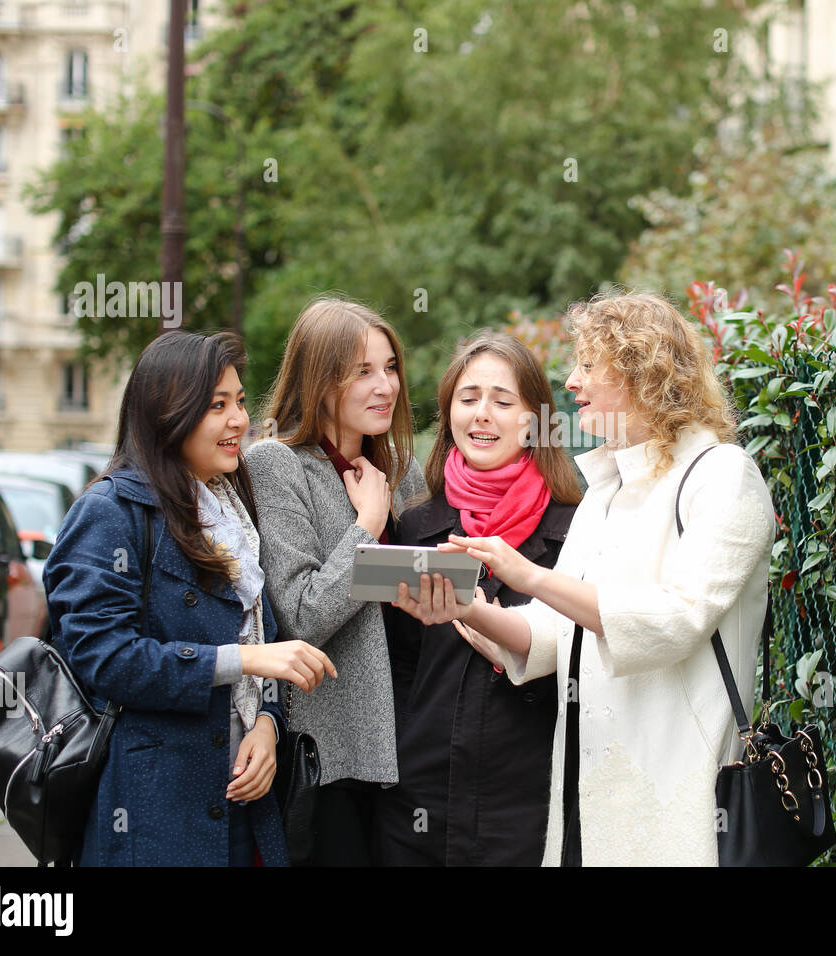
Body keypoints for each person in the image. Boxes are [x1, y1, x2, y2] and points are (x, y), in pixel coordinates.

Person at [394, 292, 776, 866]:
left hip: (674, 792)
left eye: (589, 365)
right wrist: (463, 608)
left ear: (642, 372)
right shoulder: (607, 488)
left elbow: (676, 621)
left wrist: (527, 575)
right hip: (587, 800)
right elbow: (551, 634)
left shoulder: (722, 476)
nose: (571, 382)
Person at [44, 331, 336, 867]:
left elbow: (259, 634)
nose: (238, 421)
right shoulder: (111, 512)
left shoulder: (231, 510)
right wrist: (241, 661)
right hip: (152, 811)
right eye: (216, 405)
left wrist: (268, 725)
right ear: (167, 413)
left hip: (245, 803)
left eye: (240, 401)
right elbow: (104, 659)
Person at [378, 331, 581, 866]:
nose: (481, 415)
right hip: (420, 804)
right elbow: (400, 662)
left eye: (502, 401)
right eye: (467, 399)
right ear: (448, 415)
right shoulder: (417, 527)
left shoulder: (575, 531)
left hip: (529, 802)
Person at [245, 296, 426, 866]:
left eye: (390, 367)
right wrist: (367, 527)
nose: (385, 386)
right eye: (363, 371)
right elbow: (300, 614)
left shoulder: (402, 469)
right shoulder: (277, 464)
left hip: (414, 735)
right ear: (320, 379)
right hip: (333, 752)